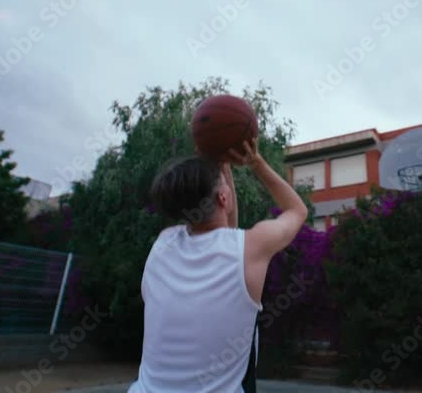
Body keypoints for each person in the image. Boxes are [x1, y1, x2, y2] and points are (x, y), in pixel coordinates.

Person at [127, 138, 309, 393]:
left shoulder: (163, 245)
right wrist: (256, 163)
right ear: (224, 197)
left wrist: (221, 167)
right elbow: (297, 210)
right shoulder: (251, 247)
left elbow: (225, 235)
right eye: (225, 186)